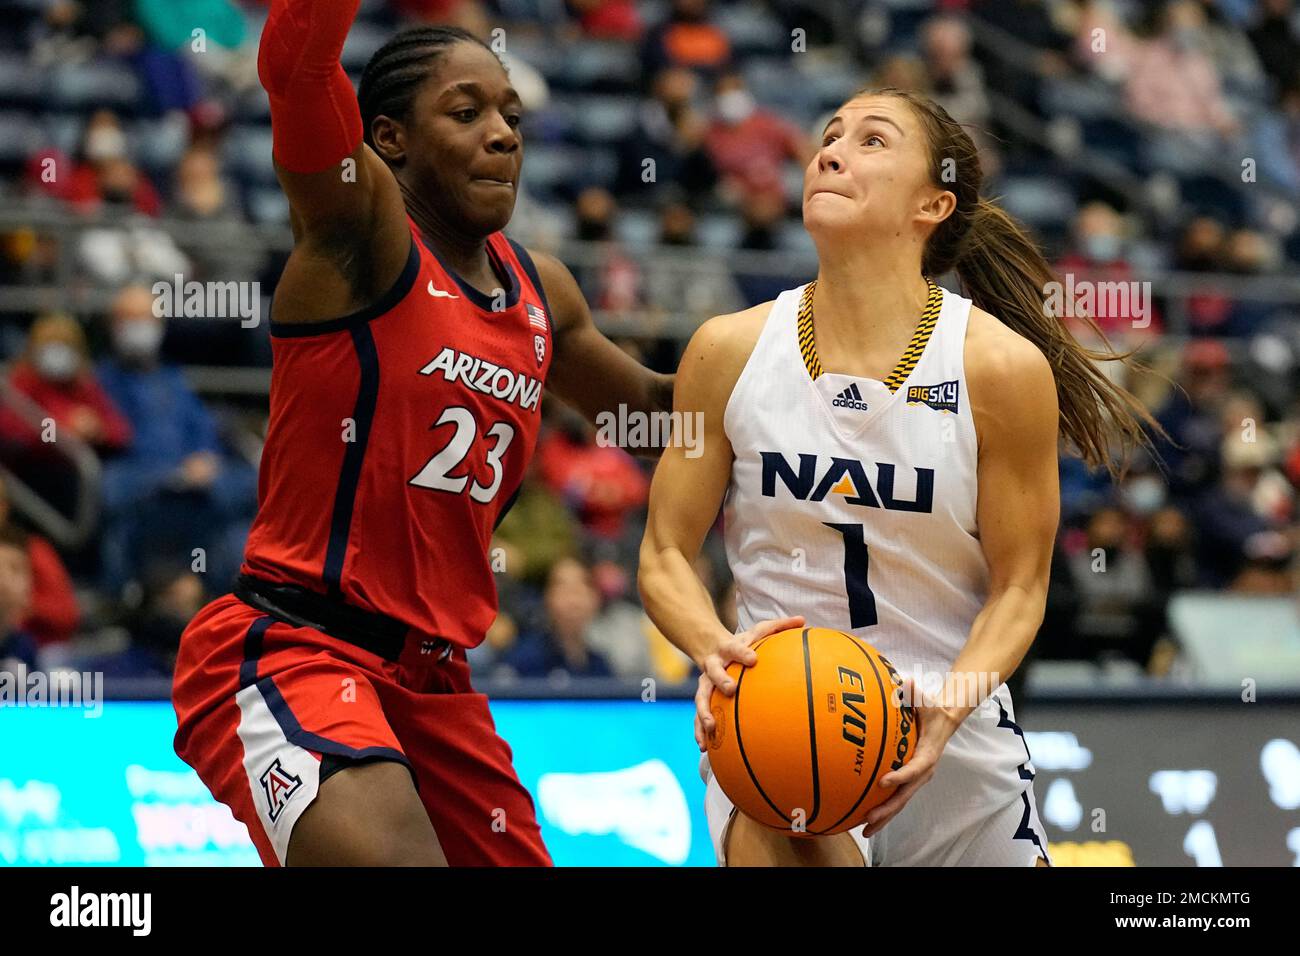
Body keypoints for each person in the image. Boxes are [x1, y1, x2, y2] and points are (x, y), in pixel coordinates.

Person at [171, 2, 672, 868]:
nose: (503, 135)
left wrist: (813, 345)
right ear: (390, 141)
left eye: (512, 116)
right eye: (467, 112)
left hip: (436, 687)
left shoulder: (540, 292)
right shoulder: (361, 234)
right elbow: (294, 66)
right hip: (294, 646)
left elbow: (662, 420)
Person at [638, 87, 1162, 866]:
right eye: (830, 135)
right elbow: (665, 553)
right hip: (787, 720)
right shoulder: (727, 350)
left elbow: (1021, 586)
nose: (831, 150)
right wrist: (715, 650)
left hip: (953, 733)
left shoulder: (999, 368)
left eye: (873, 140)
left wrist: (951, 703)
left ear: (932, 204)